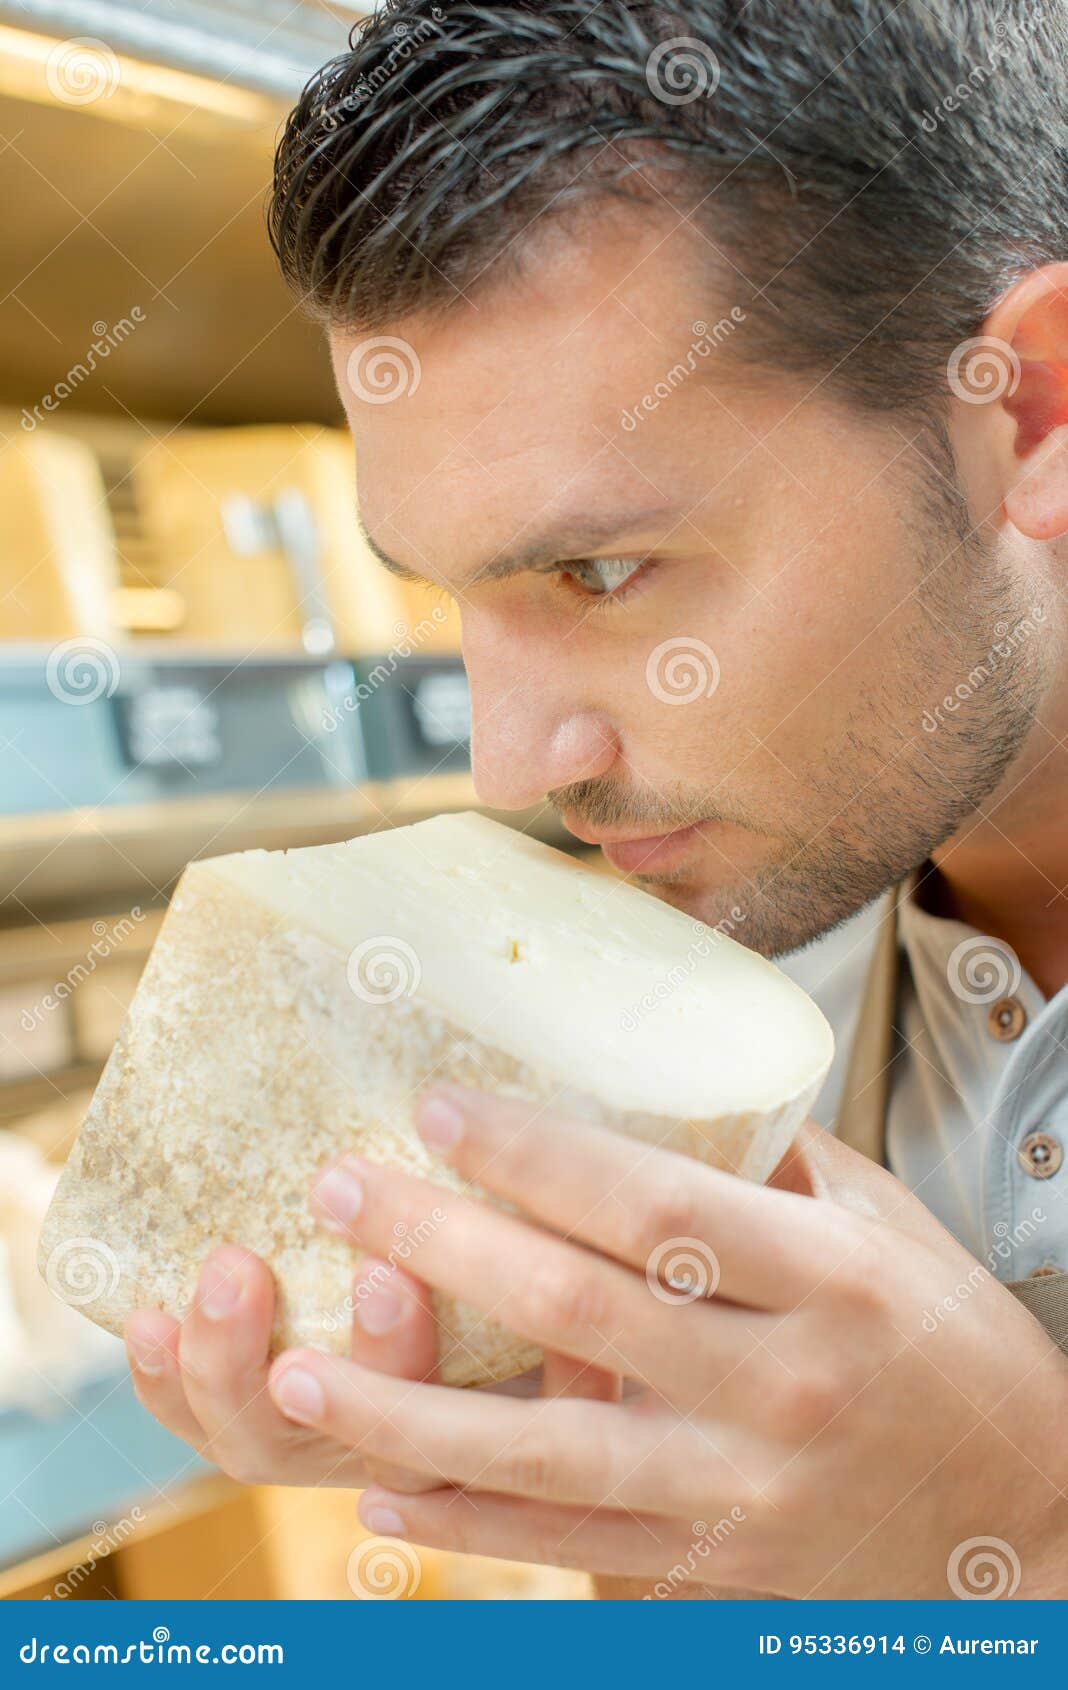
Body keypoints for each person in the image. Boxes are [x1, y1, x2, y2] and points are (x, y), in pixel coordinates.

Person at [126, 1, 1068, 1598]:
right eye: (451, 599)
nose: (514, 767)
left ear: (1028, 408)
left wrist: (1027, 1541)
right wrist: (599, 1449)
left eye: (602, 571)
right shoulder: (740, 1006)